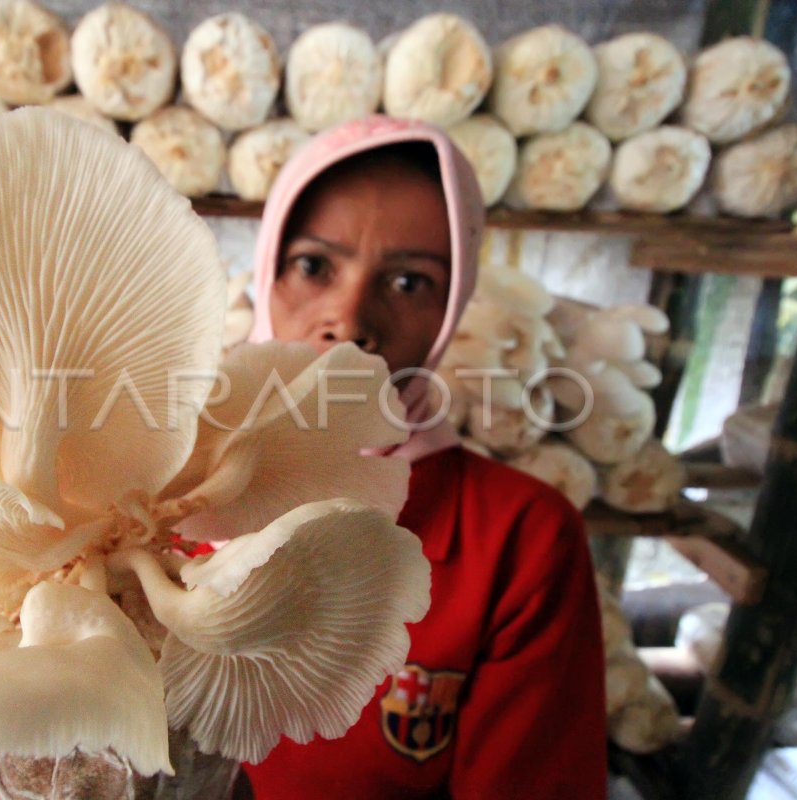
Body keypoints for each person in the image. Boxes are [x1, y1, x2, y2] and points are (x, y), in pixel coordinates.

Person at [238, 115, 608, 799]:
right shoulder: (157, 502)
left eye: (409, 283)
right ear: (266, 270)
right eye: (314, 265)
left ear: (452, 307)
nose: (349, 319)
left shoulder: (520, 543)